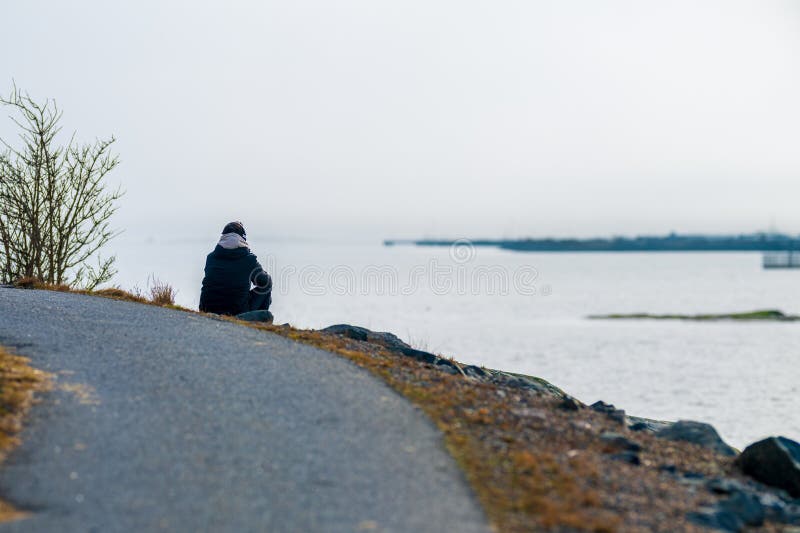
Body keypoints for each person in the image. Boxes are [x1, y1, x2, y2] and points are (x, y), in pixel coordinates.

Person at [199, 221, 273, 316]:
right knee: (266, 284)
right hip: (236, 312)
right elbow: (265, 281)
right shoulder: (249, 260)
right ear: (243, 238)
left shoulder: (211, 258)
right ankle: (260, 321)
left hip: (207, 308)